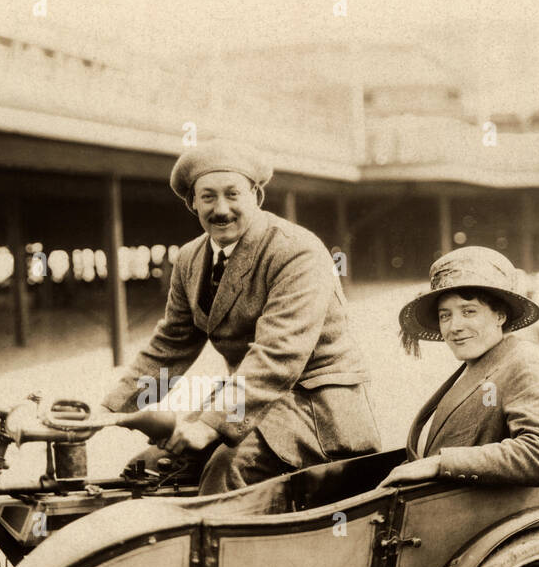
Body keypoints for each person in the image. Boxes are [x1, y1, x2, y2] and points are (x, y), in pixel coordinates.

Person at [100, 139, 380, 493]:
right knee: (146, 470)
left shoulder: (296, 250)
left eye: (233, 194)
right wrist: (108, 410)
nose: (221, 209)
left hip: (316, 407)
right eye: (208, 197)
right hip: (249, 403)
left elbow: (279, 354)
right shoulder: (189, 259)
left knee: (227, 472)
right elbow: (169, 346)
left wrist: (209, 425)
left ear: (256, 197)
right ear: (193, 204)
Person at [382, 246, 539, 488]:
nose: (454, 326)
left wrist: (440, 464)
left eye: (469, 312)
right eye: (445, 316)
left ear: (500, 316)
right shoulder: (478, 364)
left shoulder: (524, 362)